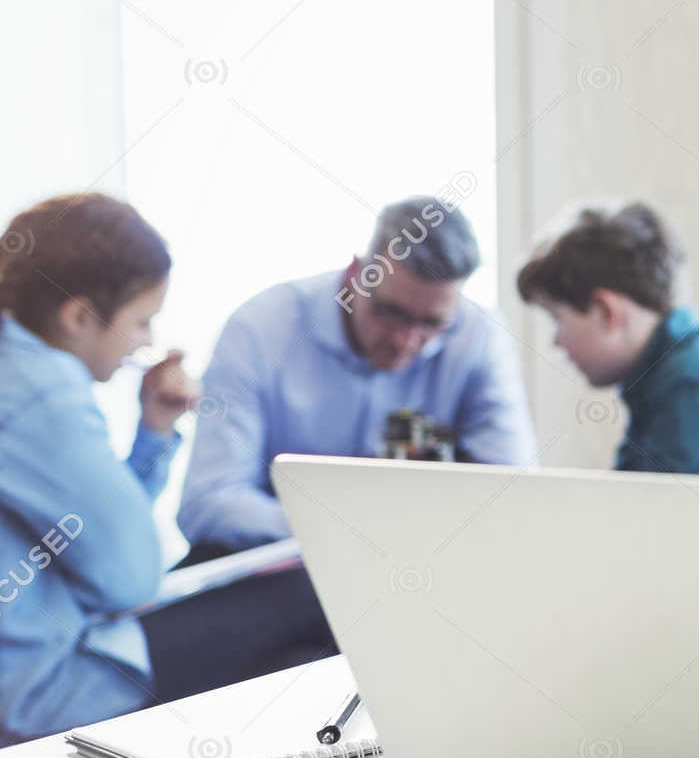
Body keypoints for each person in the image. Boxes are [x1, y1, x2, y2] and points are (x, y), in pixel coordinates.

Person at [178, 195, 535, 557]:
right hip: (286, 561)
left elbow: (512, 493)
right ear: (356, 275)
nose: (405, 341)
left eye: (430, 324)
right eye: (391, 312)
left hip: (425, 562)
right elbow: (208, 503)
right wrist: (345, 534)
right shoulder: (260, 330)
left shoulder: (479, 336)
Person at [0, 193, 200, 740]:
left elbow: (85, 537)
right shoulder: (39, 394)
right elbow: (132, 579)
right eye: (142, 320)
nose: (149, 341)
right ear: (78, 317)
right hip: (47, 696)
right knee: (295, 613)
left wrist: (154, 430)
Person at [516, 200, 699, 477]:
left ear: (607, 311)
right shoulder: (666, 371)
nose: (556, 341)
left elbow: (658, 514)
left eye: (556, 318)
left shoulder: (693, 383)